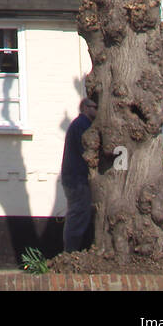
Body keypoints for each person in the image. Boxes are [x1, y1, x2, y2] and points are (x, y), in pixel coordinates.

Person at [61, 97, 97, 252]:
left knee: (80, 214)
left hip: (76, 178)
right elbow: (88, 151)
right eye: (95, 107)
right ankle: (70, 253)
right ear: (86, 108)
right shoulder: (82, 125)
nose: (98, 110)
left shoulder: (83, 124)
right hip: (77, 179)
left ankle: (73, 251)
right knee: (78, 215)